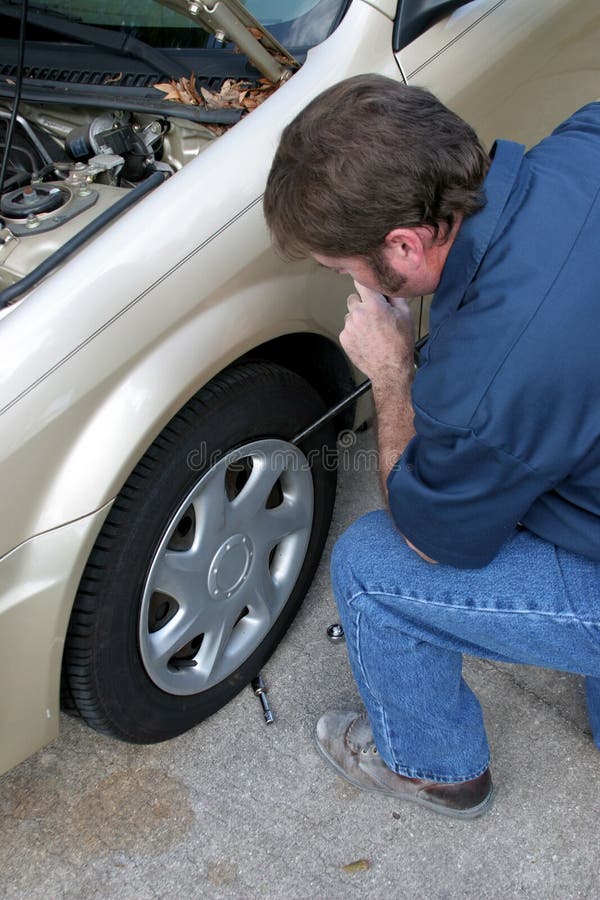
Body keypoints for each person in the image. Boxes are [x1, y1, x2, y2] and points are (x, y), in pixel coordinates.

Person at [263, 74, 600, 820]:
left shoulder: (487, 380)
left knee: (371, 566)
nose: (346, 281)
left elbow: (429, 538)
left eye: (342, 268)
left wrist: (393, 373)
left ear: (404, 246)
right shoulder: (586, 138)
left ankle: (434, 771)